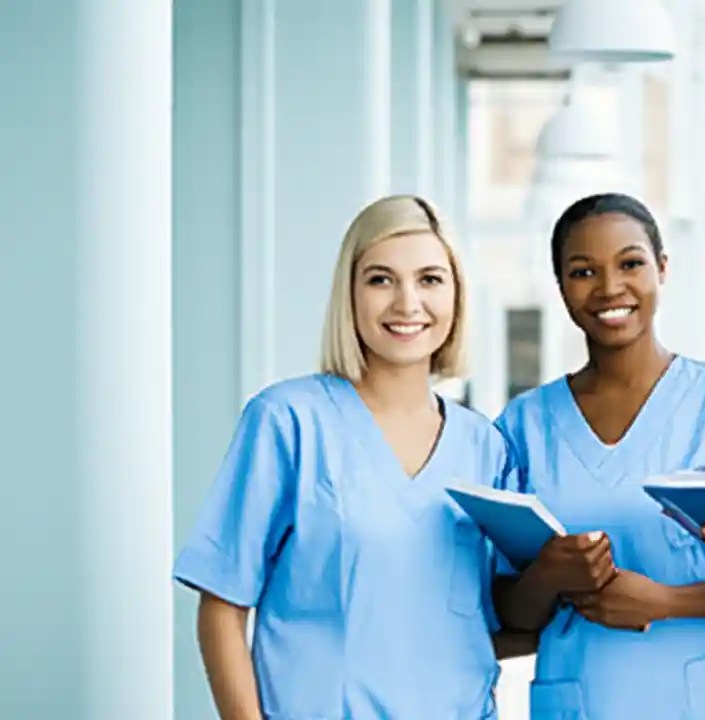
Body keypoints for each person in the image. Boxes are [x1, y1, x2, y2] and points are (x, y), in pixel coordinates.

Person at [173, 195, 520, 719]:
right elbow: (221, 607)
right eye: (381, 279)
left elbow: (487, 621)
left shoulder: (484, 446)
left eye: (430, 279)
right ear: (350, 294)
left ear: (457, 296)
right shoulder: (288, 421)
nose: (408, 303)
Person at [492, 193, 705, 719]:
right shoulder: (523, 426)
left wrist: (668, 603)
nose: (609, 288)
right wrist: (547, 575)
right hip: (581, 695)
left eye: (630, 263)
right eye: (583, 271)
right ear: (560, 286)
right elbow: (509, 610)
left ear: (662, 269)